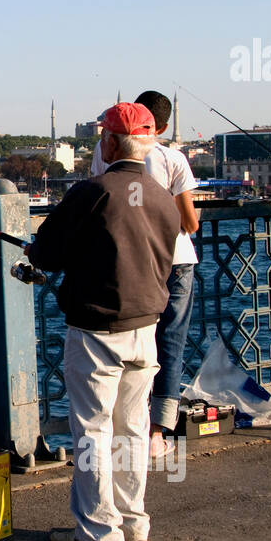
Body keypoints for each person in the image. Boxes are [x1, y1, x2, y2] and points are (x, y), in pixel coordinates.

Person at [27, 103, 179, 541]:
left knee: (93, 429)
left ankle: (98, 530)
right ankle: (133, 521)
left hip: (98, 329)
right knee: (132, 427)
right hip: (146, 326)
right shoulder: (161, 196)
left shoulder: (92, 191)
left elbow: (47, 254)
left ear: (111, 142)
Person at [90, 91, 200, 458]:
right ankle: (157, 433)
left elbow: (99, 200)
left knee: (132, 341)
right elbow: (190, 223)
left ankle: (119, 431)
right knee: (170, 343)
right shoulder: (172, 158)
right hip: (177, 260)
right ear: (162, 127)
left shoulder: (104, 150)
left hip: (127, 261)